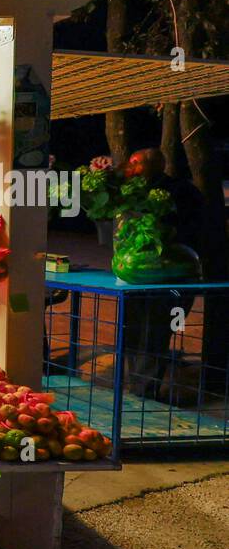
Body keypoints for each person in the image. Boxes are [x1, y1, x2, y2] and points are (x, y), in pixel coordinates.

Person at [121, 149, 203, 402]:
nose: (130, 168)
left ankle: (144, 395)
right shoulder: (133, 191)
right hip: (139, 278)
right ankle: (135, 391)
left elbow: (187, 231)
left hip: (170, 277)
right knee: (132, 332)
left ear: (154, 166)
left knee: (154, 334)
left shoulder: (181, 191)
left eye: (136, 164)